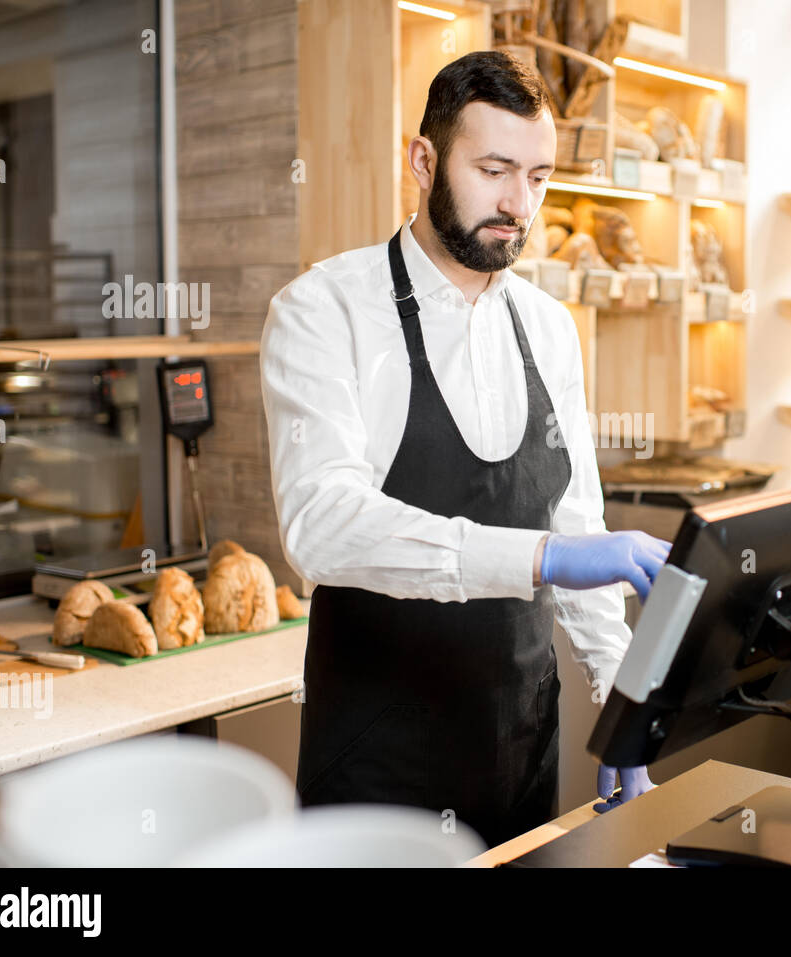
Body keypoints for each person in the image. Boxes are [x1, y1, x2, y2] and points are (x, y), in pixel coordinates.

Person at [260, 50, 669, 848]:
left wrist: (625, 703)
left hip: (520, 750)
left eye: (540, 177)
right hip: (376, 768)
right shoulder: (324, 309)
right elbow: (322, 523)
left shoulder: (549, 328)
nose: (520, 204)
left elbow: (579, 523)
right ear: (423, 161)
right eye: (494, 169)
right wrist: (543, 557)